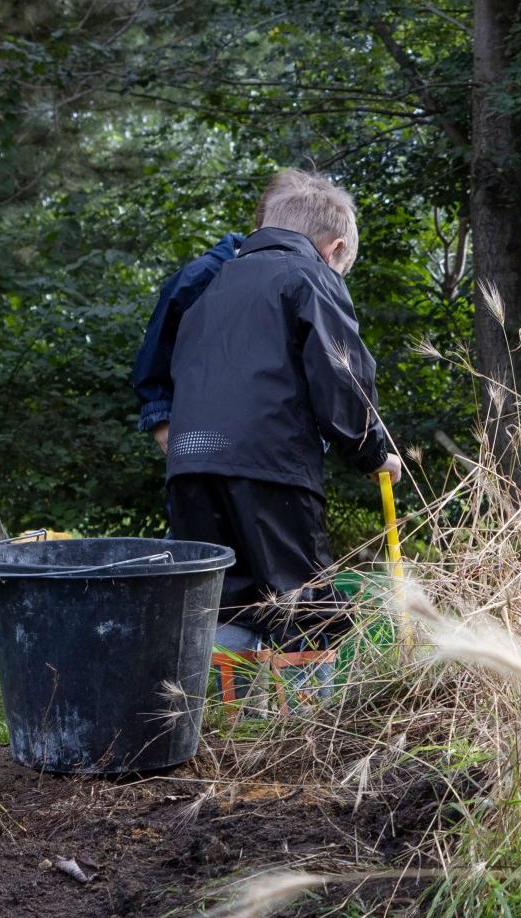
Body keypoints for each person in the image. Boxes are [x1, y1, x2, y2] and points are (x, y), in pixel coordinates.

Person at [161, 169, 397, 707]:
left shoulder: (210, 285)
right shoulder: (310, 277)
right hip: (269, 464)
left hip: (190, 466)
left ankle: (231, 723)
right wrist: (373, 449)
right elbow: (340, 372)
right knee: (302, 597)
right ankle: (312, 730)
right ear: (334, 248)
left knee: (226, 598)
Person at [132, 231, 245, 454]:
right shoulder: (200, 275)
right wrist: (159, 414)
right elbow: (158, 342)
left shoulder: (292, 279)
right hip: (197, 427)